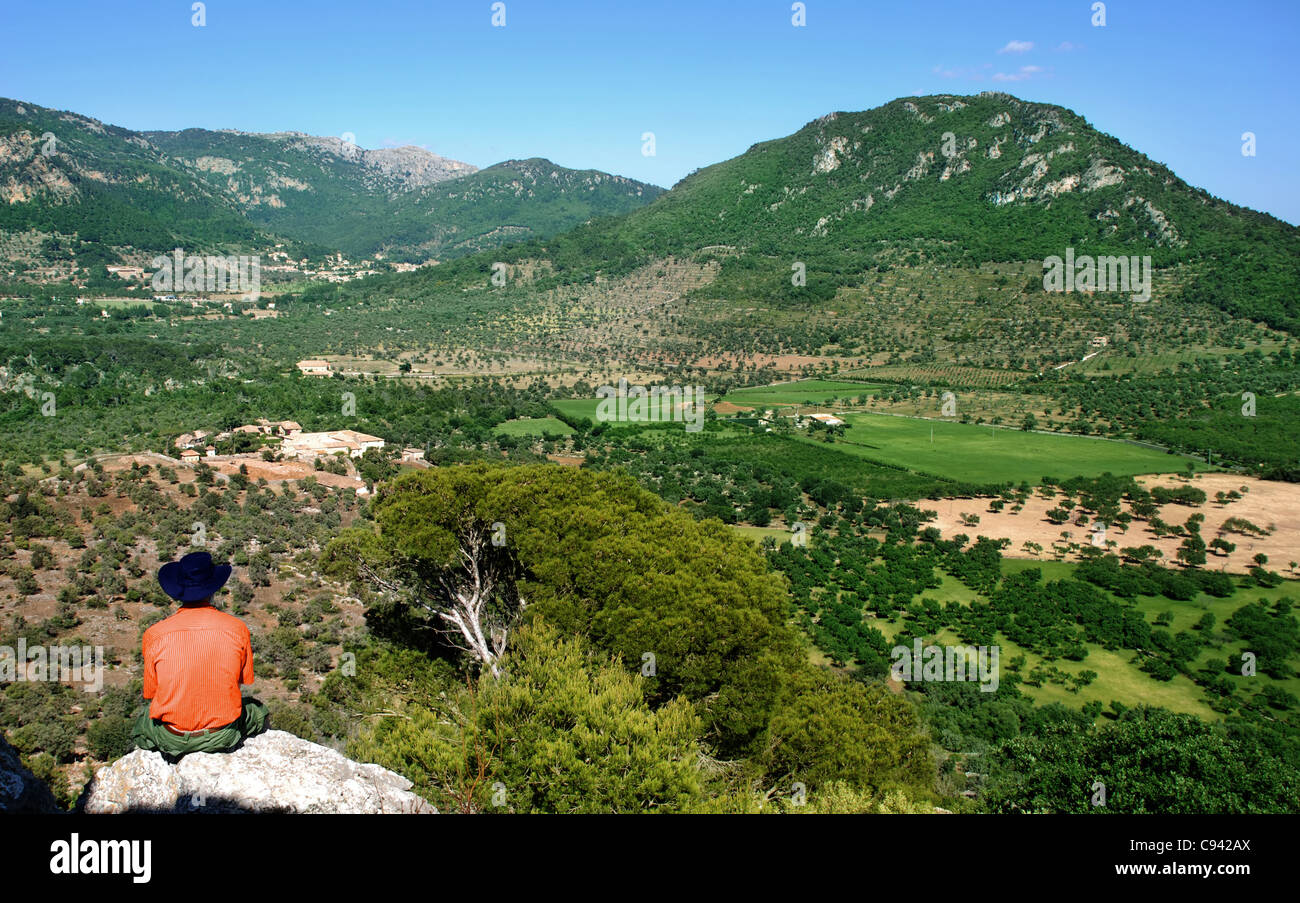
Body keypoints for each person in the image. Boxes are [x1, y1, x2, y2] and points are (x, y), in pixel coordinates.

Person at [131, 550, 268, 761]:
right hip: (222, 734)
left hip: (171, 737)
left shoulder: (154, 634)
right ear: (213, 589)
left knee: (143, 722)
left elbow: (152, 692)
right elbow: (240, 681)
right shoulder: (237, 629)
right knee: (259, 711)